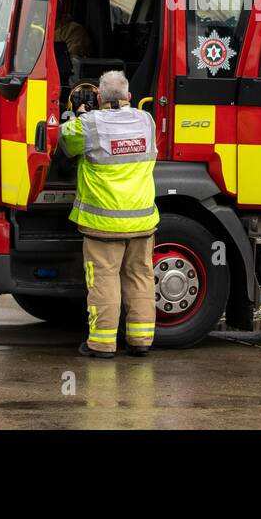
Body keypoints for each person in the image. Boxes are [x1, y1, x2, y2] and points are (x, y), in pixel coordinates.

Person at [59, 70, 158, 358]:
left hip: (104, 223)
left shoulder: (89, 124)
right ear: (129, 96)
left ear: (99, 97)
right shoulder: (147, 120)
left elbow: (65, 142)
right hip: (142, 220)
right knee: (140, 276)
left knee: (104, 280)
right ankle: (141, 340)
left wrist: (79, 113)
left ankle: (102, 344)